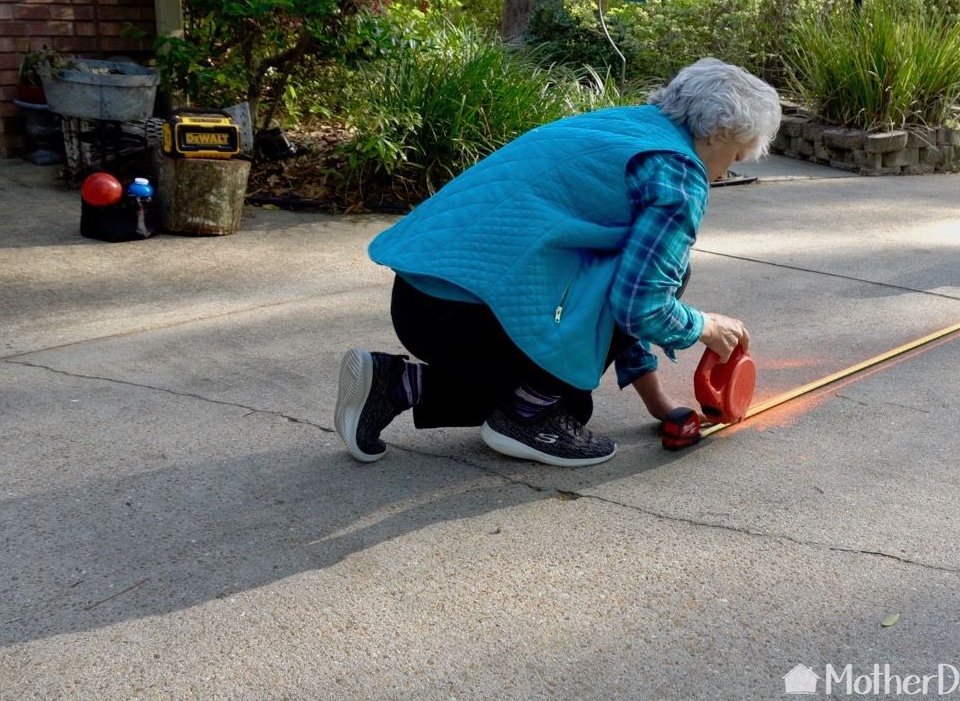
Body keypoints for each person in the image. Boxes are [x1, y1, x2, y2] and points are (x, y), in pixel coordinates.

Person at [334, 58, 781, 468]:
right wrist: (705, 327)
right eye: (736, 157)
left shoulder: (626, 126)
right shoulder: (678, 173)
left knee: (569, 407)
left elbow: (620, 288)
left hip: (423, 299)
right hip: (469, 319)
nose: (726, 172)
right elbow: (640, 305)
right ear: (717, 133)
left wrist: (658, 401)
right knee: (560, 392)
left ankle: (393, 383)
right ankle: (524, 417)